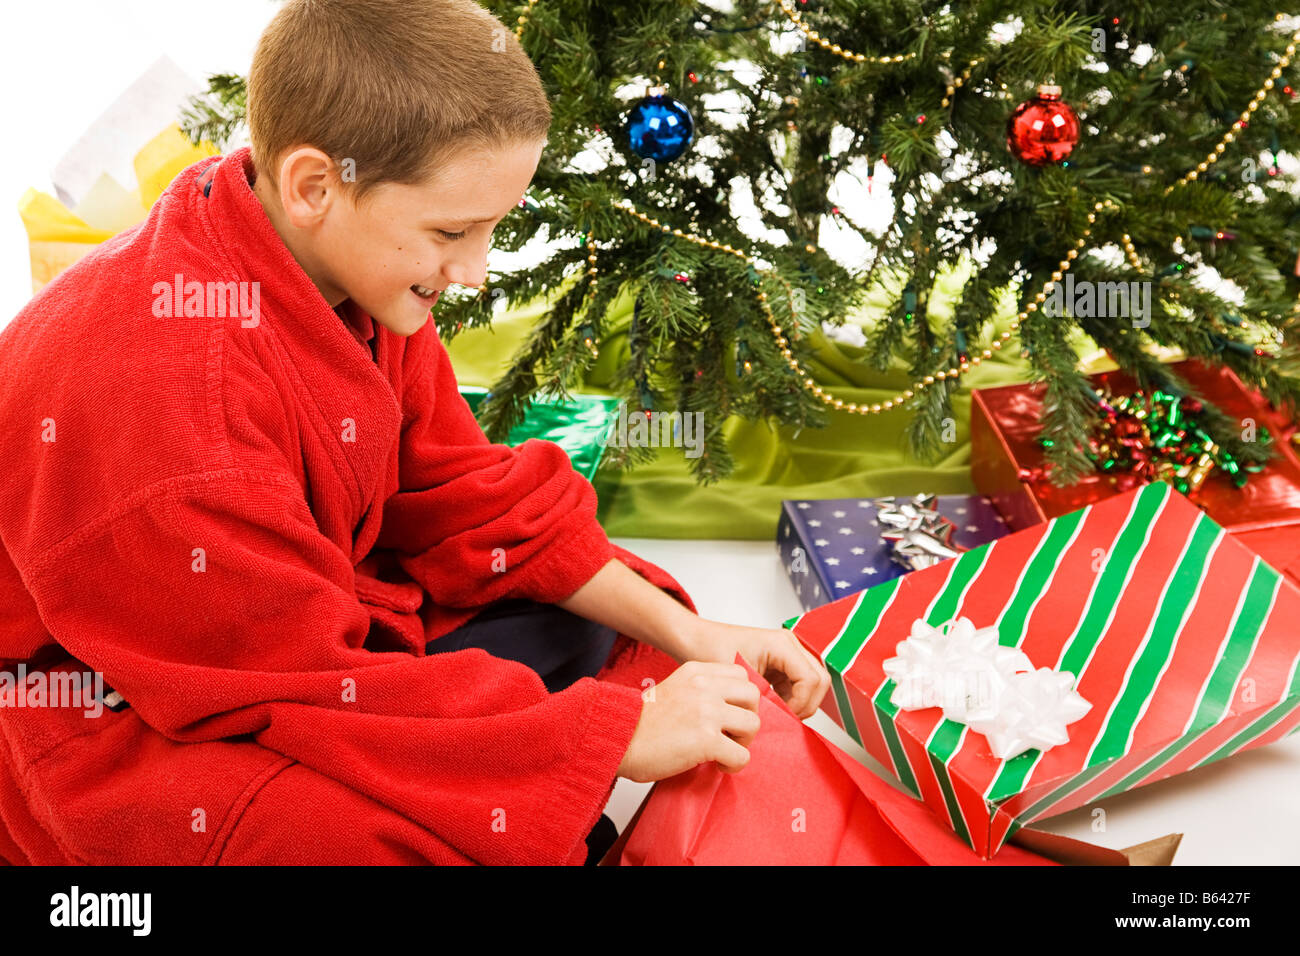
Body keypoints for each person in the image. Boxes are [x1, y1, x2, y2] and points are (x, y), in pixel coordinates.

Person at [0, 0, 829, 866]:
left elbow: (465, 498)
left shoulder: (341, 268)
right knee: (361, 837)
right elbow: (294, 681)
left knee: (582, 619)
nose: (473, 271)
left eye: (491, 227)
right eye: (450, 232)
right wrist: (608, 740)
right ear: (314, 185)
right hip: (107, 712)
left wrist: (696, 638)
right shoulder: (171, 402)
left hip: (295, 614)